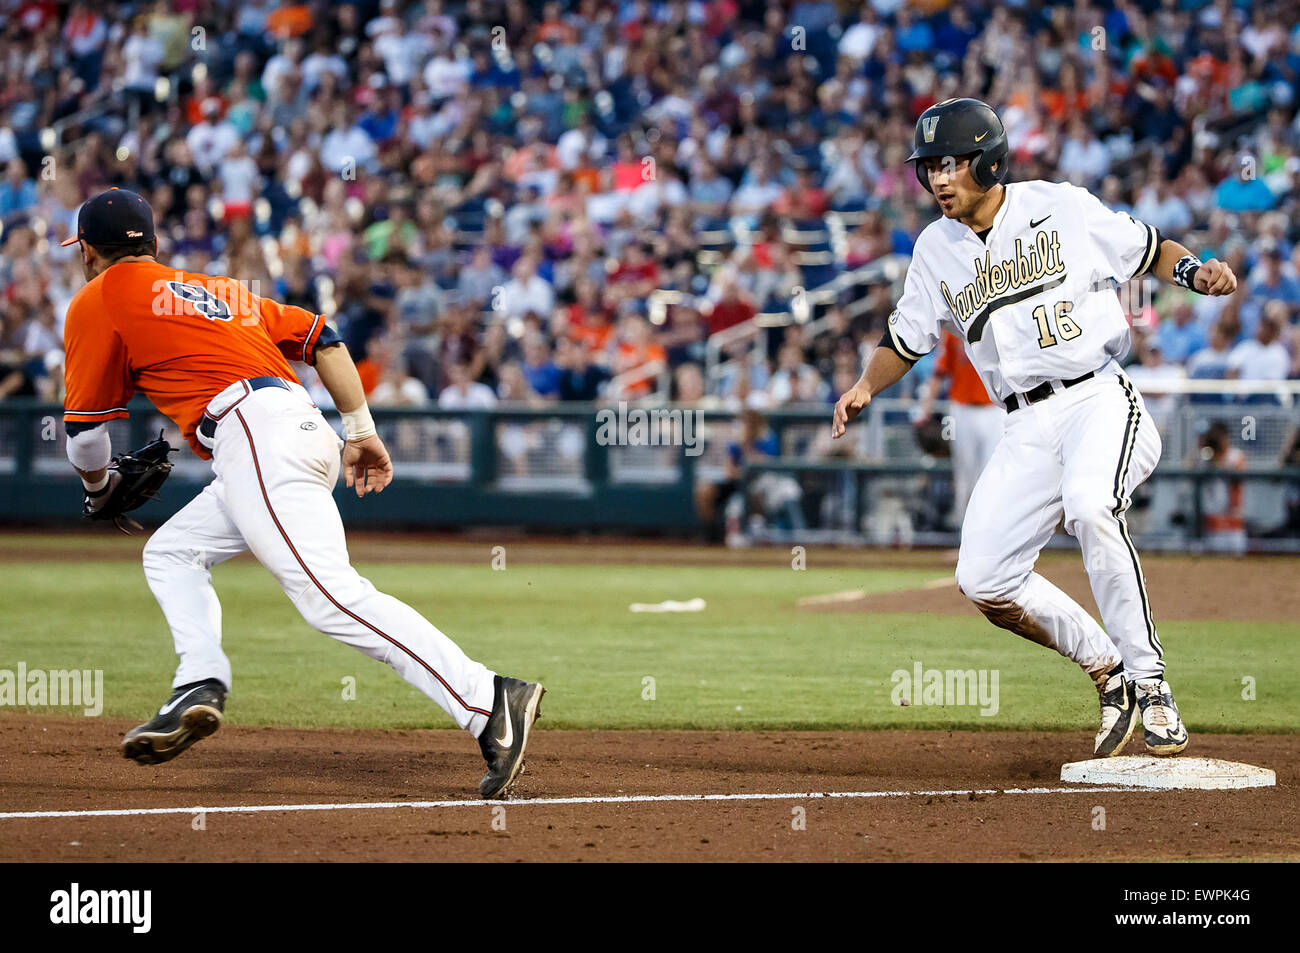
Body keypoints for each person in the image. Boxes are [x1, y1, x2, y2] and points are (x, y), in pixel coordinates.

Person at [59, 189, 543, 799]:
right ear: (152, 244)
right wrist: (361, 430)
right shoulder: (223, 290)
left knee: (331, 598)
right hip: (295, 425)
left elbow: (83, 434)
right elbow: (327, 339)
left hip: (255, 437)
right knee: (171, 552)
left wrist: (99, 487)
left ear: (90, 254)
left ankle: (489, 700)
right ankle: (199, 679)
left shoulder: (98, 297)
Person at [832, 100, 1238, 759]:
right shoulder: (936, 249)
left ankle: (1151, 682)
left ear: (988, 161)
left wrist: (1195, 272)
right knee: (984, 574)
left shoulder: (1061, 206)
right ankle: (1109, 671)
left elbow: (1151, 250)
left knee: (1090, 505)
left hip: (1097, 399)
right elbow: (902, 340)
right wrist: (863, 385)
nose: (939, 178)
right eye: (930, 166)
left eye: (953, 163)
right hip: (1022, 425)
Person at [917, 330, 1003, 524]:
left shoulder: (999, 321)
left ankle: (991, 537)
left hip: (995, 410)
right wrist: (925, 408)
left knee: (992, 475)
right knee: (964, 477)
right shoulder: (953, 328)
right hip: (960, 410)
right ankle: (965, 540)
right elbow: (940, 371)